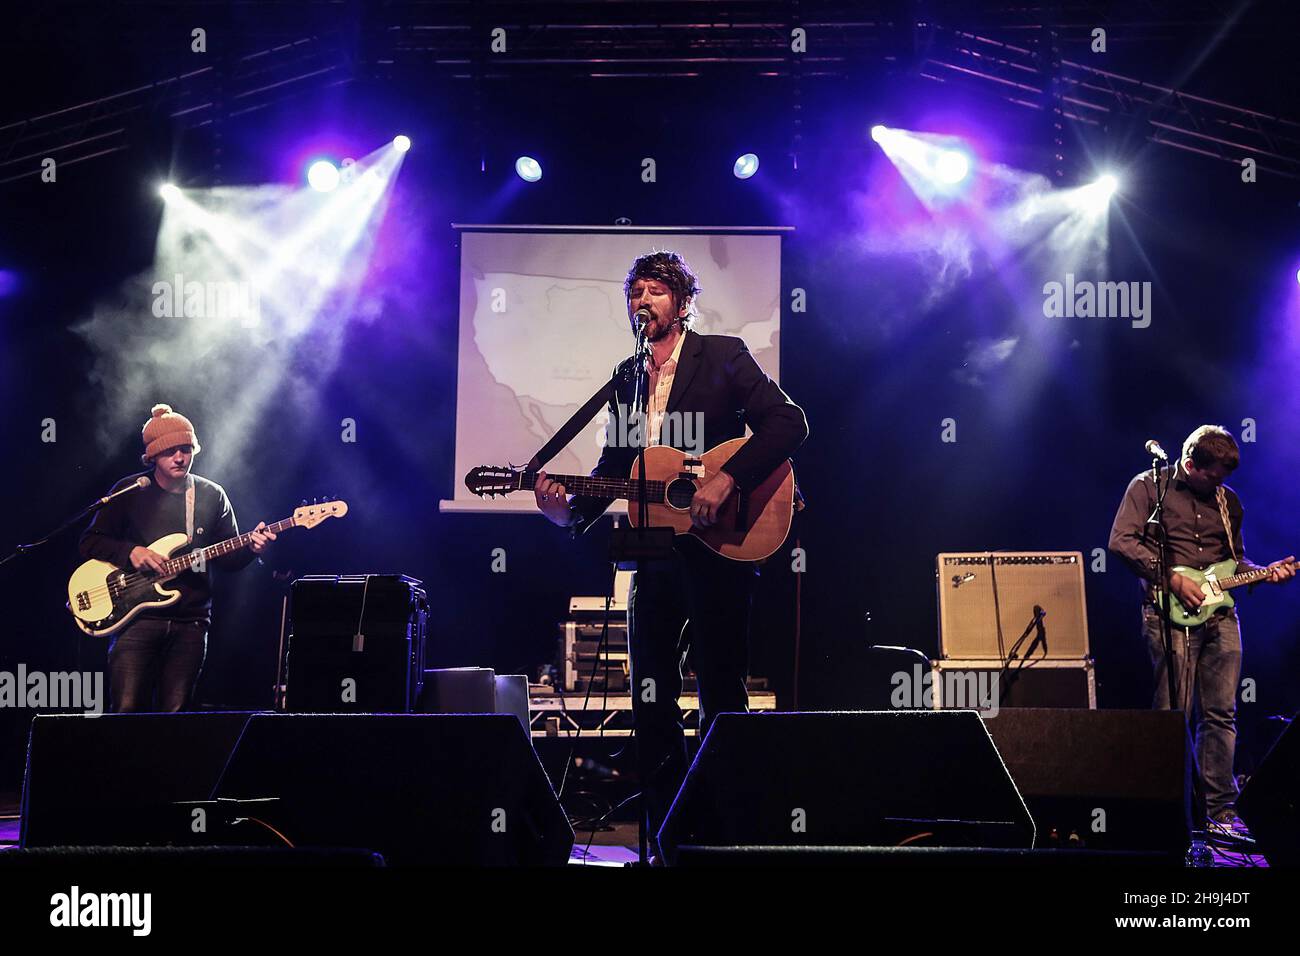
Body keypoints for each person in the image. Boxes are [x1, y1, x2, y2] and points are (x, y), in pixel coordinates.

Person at [534, 250, 808, 857]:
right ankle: (665, 836)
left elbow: (789, 424)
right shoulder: (627, 379)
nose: (642, 301)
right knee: (650, 694)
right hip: (654, 551)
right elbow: (617, 467)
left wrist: (726, 478)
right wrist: (567, 510)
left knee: (720, 690)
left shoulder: (723, 356)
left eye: (655, 291)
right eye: (634, 292)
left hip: (718, 547)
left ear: (682, 303)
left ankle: (727, 833)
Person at [1109, 425, 1294, 833]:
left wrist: (1265, 574)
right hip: (1166, 614)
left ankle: (1221, 811)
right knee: (1174, 713)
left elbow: (1235, 563)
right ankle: (1171, 808)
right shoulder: (1148, 487)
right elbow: (1121, 542)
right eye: (1212, 477)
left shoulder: (1229, 502)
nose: (1219, 485)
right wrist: (1171, 578)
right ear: (1190, 464)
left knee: (1221, 714)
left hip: (1221, 616)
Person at [78, 404, 275, 712]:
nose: (180, 458)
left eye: (186, 449)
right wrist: (131, 552)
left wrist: (252, 549)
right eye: (170, 451)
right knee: (125, 712)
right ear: (153, 455)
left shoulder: (211, 495)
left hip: (191, 624)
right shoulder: (130, 491)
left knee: (177, 717)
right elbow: (90, 543)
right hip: (136, 620)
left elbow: (226, 560)